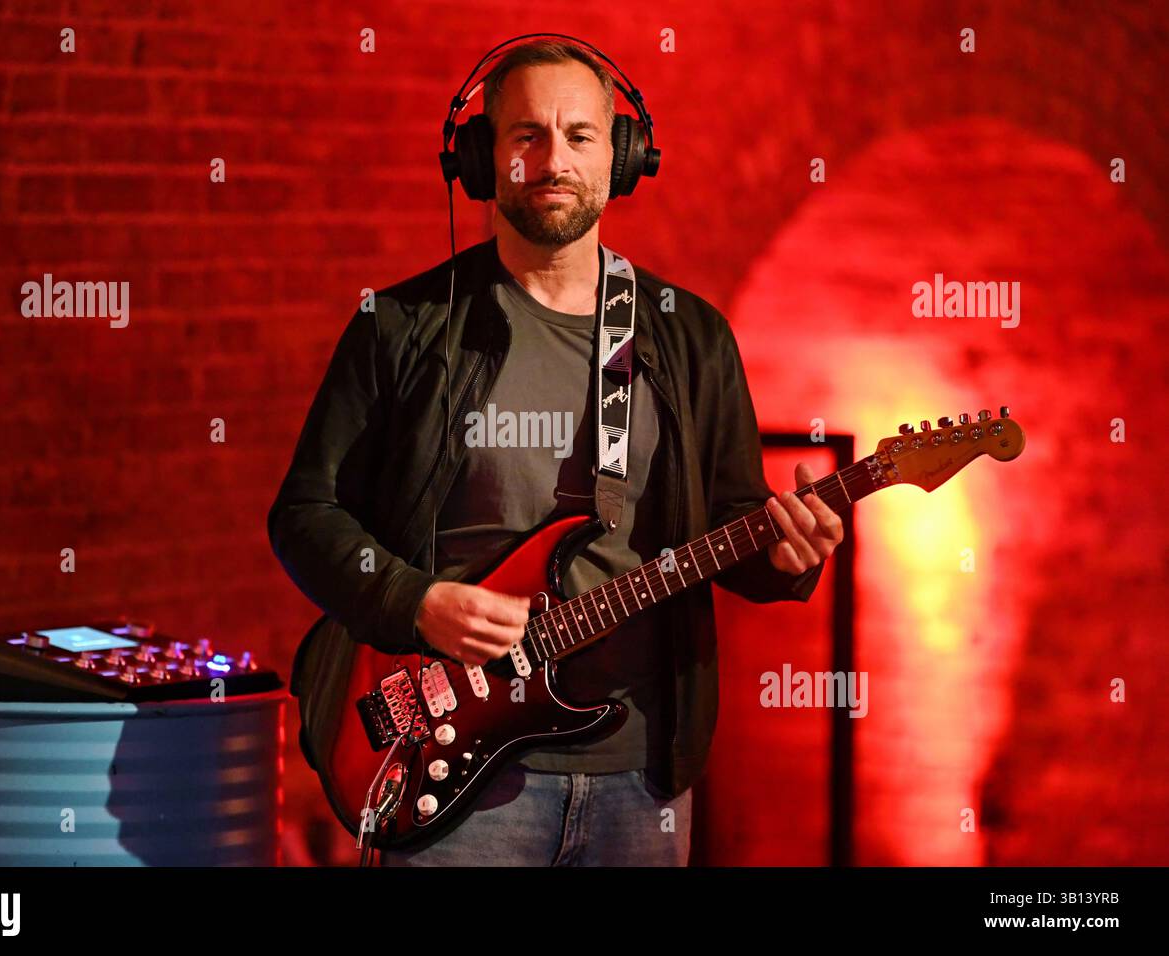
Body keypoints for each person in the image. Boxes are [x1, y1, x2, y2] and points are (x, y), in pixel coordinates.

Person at [268, 39, 844, 866]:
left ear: (623, 155)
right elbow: (304, 515)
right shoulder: (401, 328)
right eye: (525, 135)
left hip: (640, 780)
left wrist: (791, 555)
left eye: (580, 136)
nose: (553, 160)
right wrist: (416, 602)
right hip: (453, 778)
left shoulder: (690, 337)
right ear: (480, 156)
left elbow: (733, 525)